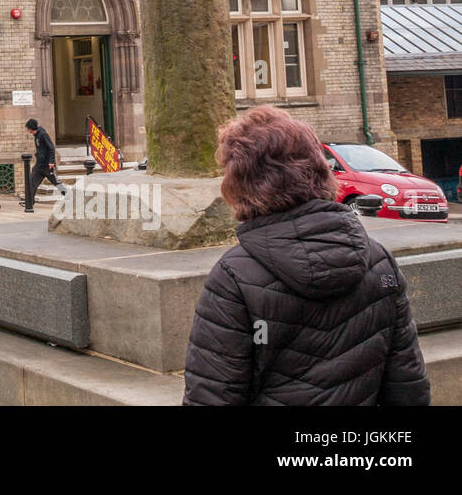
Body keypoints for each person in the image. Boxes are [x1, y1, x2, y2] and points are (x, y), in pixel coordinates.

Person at [183, 106, 430, 406]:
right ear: (319, 170)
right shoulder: (379, 262)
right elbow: (409, 389)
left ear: (241, 185)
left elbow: (212, 397)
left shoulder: (232, 278)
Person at [23, 118, 65, 213]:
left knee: (56, 182)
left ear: (31, 128)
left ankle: (68, 195)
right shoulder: (36, 135)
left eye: (28, 128)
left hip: (47, 165)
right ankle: (29, 202)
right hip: (39, 165)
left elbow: (51, 148)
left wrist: (51, 161)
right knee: (31, 182)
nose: (27, 130)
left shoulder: (42, 134)